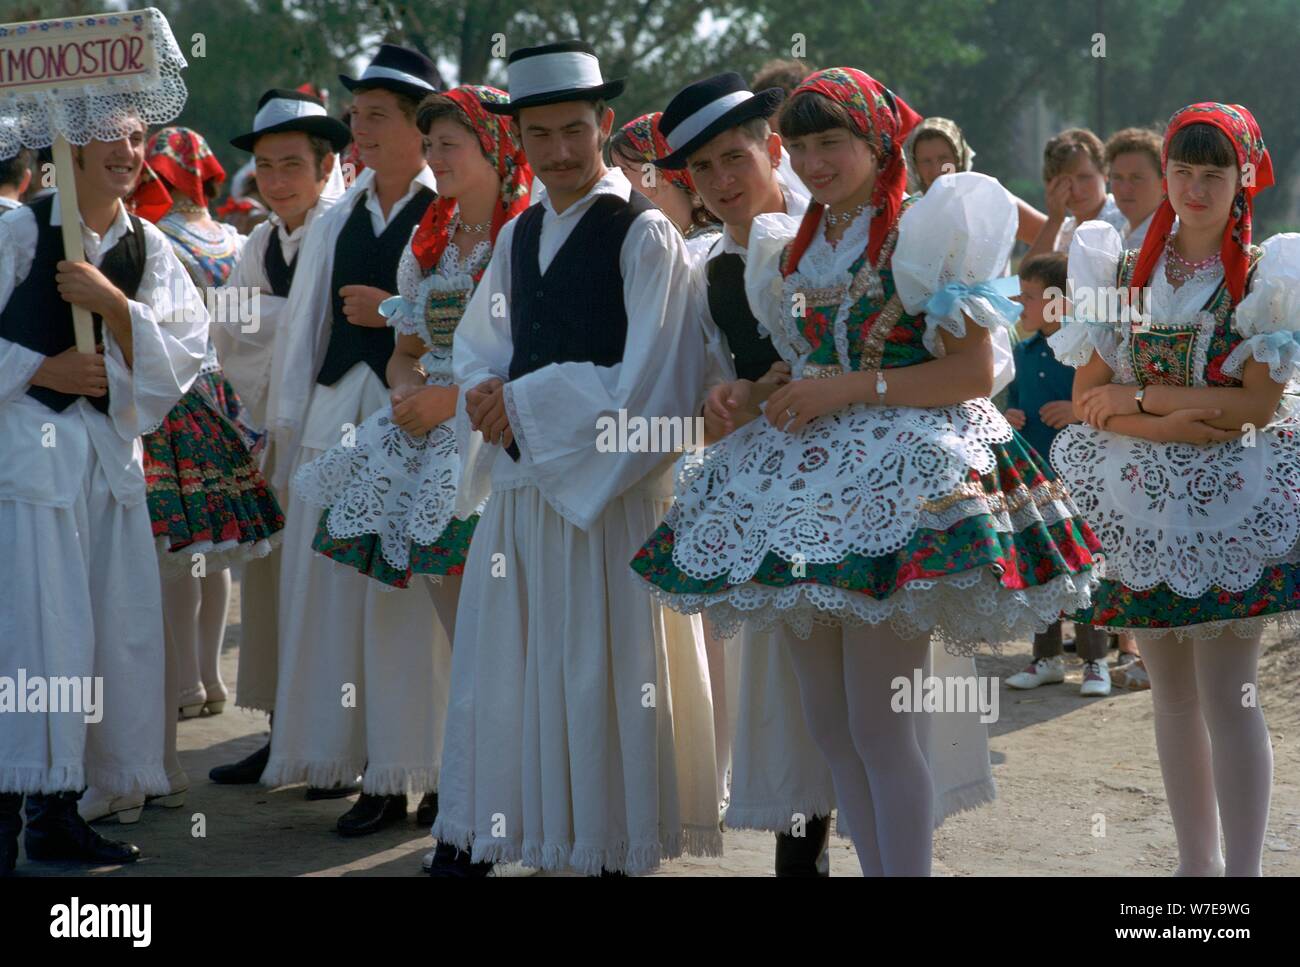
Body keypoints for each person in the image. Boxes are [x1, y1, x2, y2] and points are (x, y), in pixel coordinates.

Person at [632, 67, 1102, 875]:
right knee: (830, 725)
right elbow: (797, 361)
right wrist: (755, 390)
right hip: (802, 486)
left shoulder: (924, 232)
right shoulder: (790, 244)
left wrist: (850, 388)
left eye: (833, 143)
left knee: (882, 724)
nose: (815, 162)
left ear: (876, 142)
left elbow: (968, 372)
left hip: (902, 487)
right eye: (804, 145)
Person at [432, 40, 720, 875]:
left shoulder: (647, 235)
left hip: (609, 499)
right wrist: (488, 390)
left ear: (602, 126)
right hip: (525, 492)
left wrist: (520, 401)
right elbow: (481, 344)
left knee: (601, 674)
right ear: (518, 138)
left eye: (574, 130)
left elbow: (657, 387)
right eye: (540, 134)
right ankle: (498, 828)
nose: (559, 151)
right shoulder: (520, 232)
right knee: (511, 670)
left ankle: (603, 845)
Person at [290, 85, 533, 873]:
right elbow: (403, 346)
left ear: (496, 148)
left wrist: (448, 399)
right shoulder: (431, 236)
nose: (436, 160)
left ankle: (491, 821)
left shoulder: (523, 235)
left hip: (494, 453)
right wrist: (405, 389)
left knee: (500, 649)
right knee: (469, 649)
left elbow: (533, 360)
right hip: (432, 446)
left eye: (450, 145)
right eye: (430, 146)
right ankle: (471, 823)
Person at [1050, 103, 1293, 877]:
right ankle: (1198, 869)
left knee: (1231, 694)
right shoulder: (1120, 270)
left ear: (1241, 180)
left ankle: (1244, 878)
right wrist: (1174, 421)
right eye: (1182, 170)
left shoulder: (1264, 277)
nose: (1194, 187)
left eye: (1213, 173)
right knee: (1170, 694)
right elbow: (1091, 395)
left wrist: (1143, 401)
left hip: (1235, 507)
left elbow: (1257, 405)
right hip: (1141, 504)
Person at [0, 112, 208, 874]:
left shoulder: (146, 246)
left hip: (106, 466)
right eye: (112, 136)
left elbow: (187, 350)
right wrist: (38, 368)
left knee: (98, 637)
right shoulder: (20, 233)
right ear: (72, 145)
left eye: (139, 138)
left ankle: (59, 810)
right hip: (28, 468)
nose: (129, 152)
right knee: (30, 636)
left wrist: (116, 308)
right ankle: (9, 808)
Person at [261, 43, 449, 837]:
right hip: (341, 418)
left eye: (375, 116)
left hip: (415, 419)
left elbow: (474, 319)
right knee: (340, 600)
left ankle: (429, 766)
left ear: (417, 127)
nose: (358, 130)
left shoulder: (451, 207)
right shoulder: (340, 212)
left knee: (408, 606)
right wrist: (287, 427)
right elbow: (303, 330)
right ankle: (368, 768)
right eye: (356, 115)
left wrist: (394, 315)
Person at [653, 71, 835, 876]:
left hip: (849, 477)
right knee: (783, 671)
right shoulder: (703, 268)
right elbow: (697, 381)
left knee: (852, 677)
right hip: (761, 484)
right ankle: (802, 847)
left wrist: (759, 391)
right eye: (702, 171)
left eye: (736, 158)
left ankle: (839, 837)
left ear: (771, 149)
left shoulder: (827, 241)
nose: (724, 182)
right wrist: (718, 403)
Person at [206, 88, 351, 786]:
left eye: (292, 164)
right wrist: (283, 316)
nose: (277, 180)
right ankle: (282, 727)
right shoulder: (260, 240)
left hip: (333, 431)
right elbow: (230, 329)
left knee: (326, 587)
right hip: (274, 437)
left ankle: (339, 741)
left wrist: (276, 315)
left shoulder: (341, 228)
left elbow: (313, 327)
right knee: (272, 586)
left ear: (326, 168)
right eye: (265, 166)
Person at [1001, 252, 1110, 696]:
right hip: (1035, 478)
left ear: (1058, 302)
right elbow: (1011, 400)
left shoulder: (1085, 350)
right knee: (1041, 561)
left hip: (1081, 478)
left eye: (1027, 296)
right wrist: (1008, 414)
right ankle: (1045, 657)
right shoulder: (1021, 352)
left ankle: (1095, 663)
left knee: (1084, 564)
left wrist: (1077, 411)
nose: (1018, 304)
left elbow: (1107, 400)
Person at [905, 117, 1047, 245]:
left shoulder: (987, 199)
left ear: (959, 159)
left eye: (943, 159)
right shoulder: (910, 213)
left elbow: (1051, 236)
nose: (936, 170)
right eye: (926, 161)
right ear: (916, 166)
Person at [607, 112, 720, 260]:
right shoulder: (655, 244)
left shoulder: (708, 249)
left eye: (623, 171)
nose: (616, 180)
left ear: (657, 175)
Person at [1025, 127, 1127, 260]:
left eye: (1084, 177)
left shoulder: (1125, 220)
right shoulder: (1062, 232)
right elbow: (1030, 279)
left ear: (1105, 173)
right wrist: (1054, 220)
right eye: (1065, 182)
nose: (1076, 190)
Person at [1105, 127, 1165, 248]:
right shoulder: (1116, 233)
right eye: (1117, 177)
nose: (1125, 189)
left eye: (1137, 178)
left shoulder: (1174, 238)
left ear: (1164, 182)